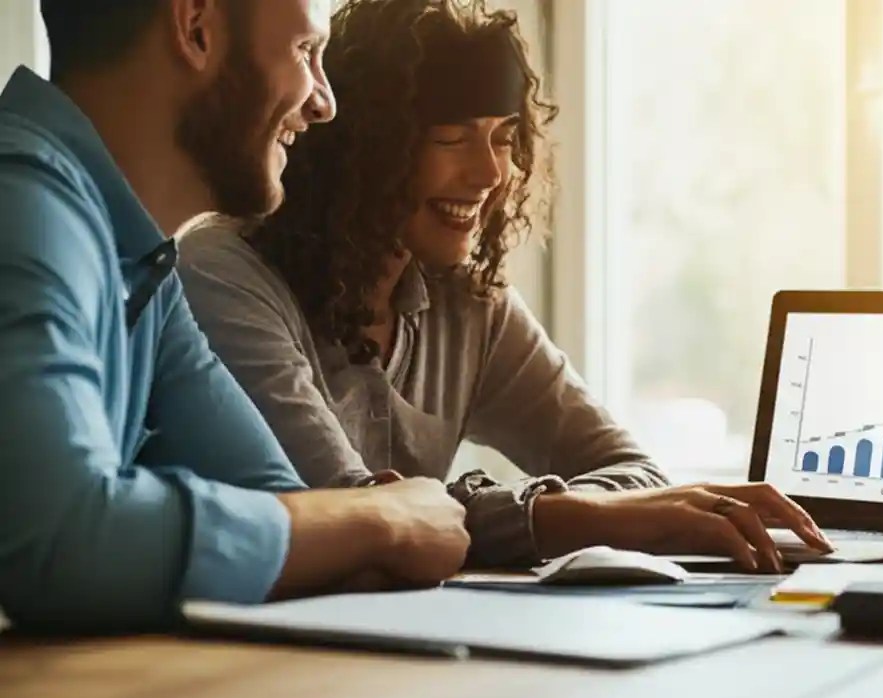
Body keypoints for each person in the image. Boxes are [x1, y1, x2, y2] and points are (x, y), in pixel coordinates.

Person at [179, 0, 834, 575]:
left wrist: (614, 512)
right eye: (451, 138)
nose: (490, 171)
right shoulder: (225, 270)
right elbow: (351, 513)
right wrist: (582, 516)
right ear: (360, 149)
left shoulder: (470, 303)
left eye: (504, 137)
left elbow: (632, 472)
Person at [0, 0, 474, 632]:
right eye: (306, 52)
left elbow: (284, 508)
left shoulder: (144, 267)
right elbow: (66, 542)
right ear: (196, 28)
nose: (324, 103)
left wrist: (356, 532)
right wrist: (381, 518)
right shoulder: (20, 204)